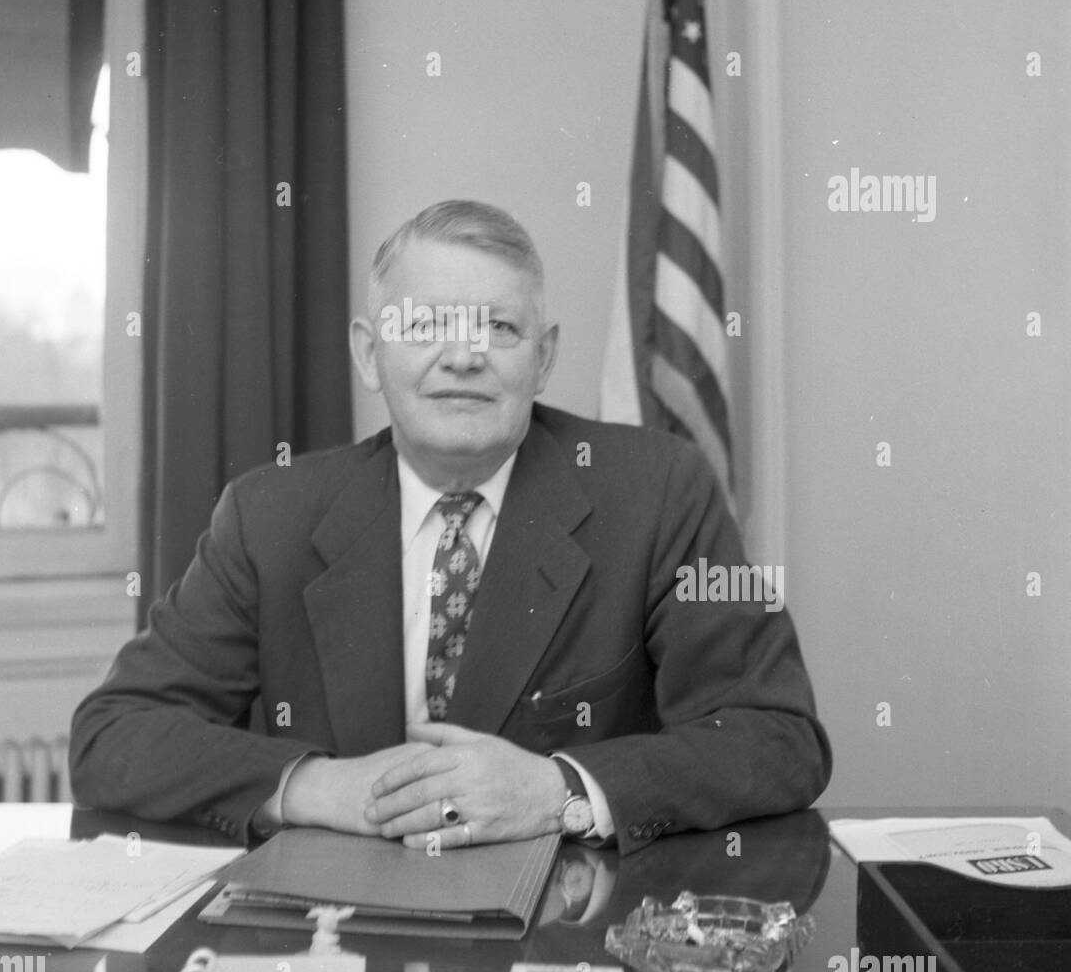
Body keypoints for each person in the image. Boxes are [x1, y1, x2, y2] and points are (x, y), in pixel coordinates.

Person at [70, 200, 830, 854]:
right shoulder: (268, 516)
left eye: (499, 326)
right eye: (428, 323)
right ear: (370, 354)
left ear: (544, 358)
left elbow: (777, 737)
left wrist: (559, 790)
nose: (463, 356)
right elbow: (114, 734)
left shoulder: (660, 491)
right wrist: (315, 786)